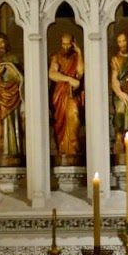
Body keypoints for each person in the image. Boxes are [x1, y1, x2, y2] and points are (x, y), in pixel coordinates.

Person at [0, 36, 25, 163]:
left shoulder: (13, 58)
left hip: (13, 94)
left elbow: (20, 78)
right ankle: (1, 149)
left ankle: (14, 151)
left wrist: (13, 73)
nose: (0, 45)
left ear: (6, 43)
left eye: (2, 42)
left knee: (12, 122)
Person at [48, 31, 85, 160]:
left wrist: (79, 53)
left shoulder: (76, 57)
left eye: (68, 45)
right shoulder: (56, 57)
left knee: (74, 115)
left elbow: (80, 71)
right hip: (59, 94)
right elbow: (52, 74)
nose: (65, 47)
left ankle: (72, 149)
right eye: (63, 44)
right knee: (59, 122)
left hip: (72, 94)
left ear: (73, 44)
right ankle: (62, 149)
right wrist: (69, 79)